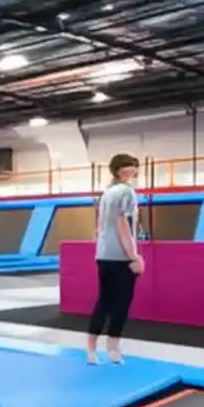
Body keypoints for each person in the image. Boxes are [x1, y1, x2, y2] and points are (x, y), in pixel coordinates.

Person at [86, 153, 145, 365]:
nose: (135, 172)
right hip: (120, 256)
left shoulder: (107, 193)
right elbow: (123, 226)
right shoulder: (126, 192)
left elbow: (100, 226)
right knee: (121, 303)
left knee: (104, 301)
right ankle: (113, 348)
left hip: (103, 254)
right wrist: (134, 256)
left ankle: (92, 349)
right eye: (133, 167)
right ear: (123, 170)